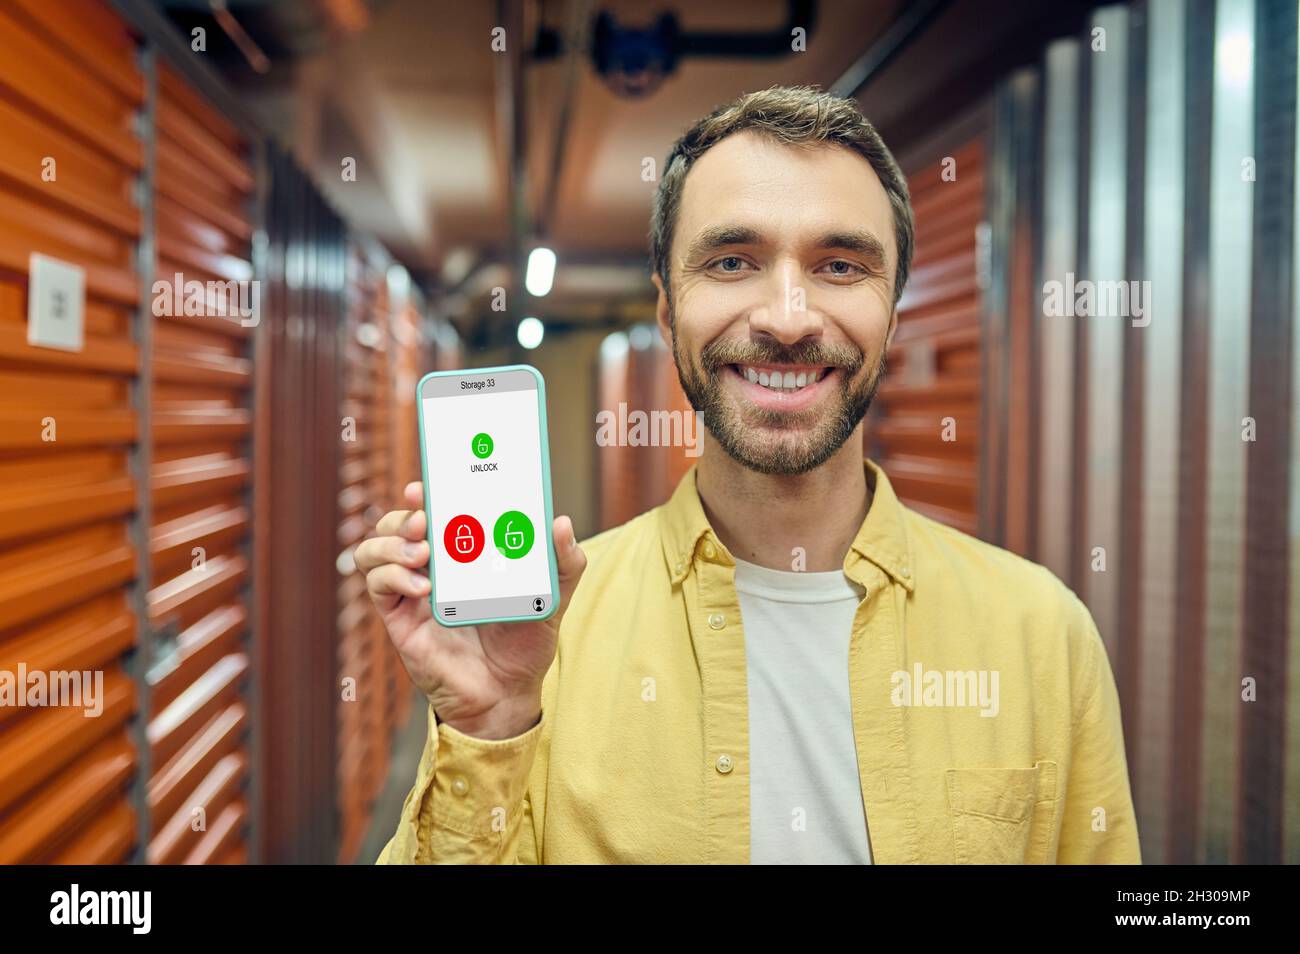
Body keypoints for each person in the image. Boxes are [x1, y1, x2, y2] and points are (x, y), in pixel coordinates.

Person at [357, 84, 1141, 864]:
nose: (788, 317)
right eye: (733, 262)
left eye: (840, 265)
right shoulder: (546, 641)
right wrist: (489, 727)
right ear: (668, 313)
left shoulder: (1042, 635)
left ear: (894, 313)